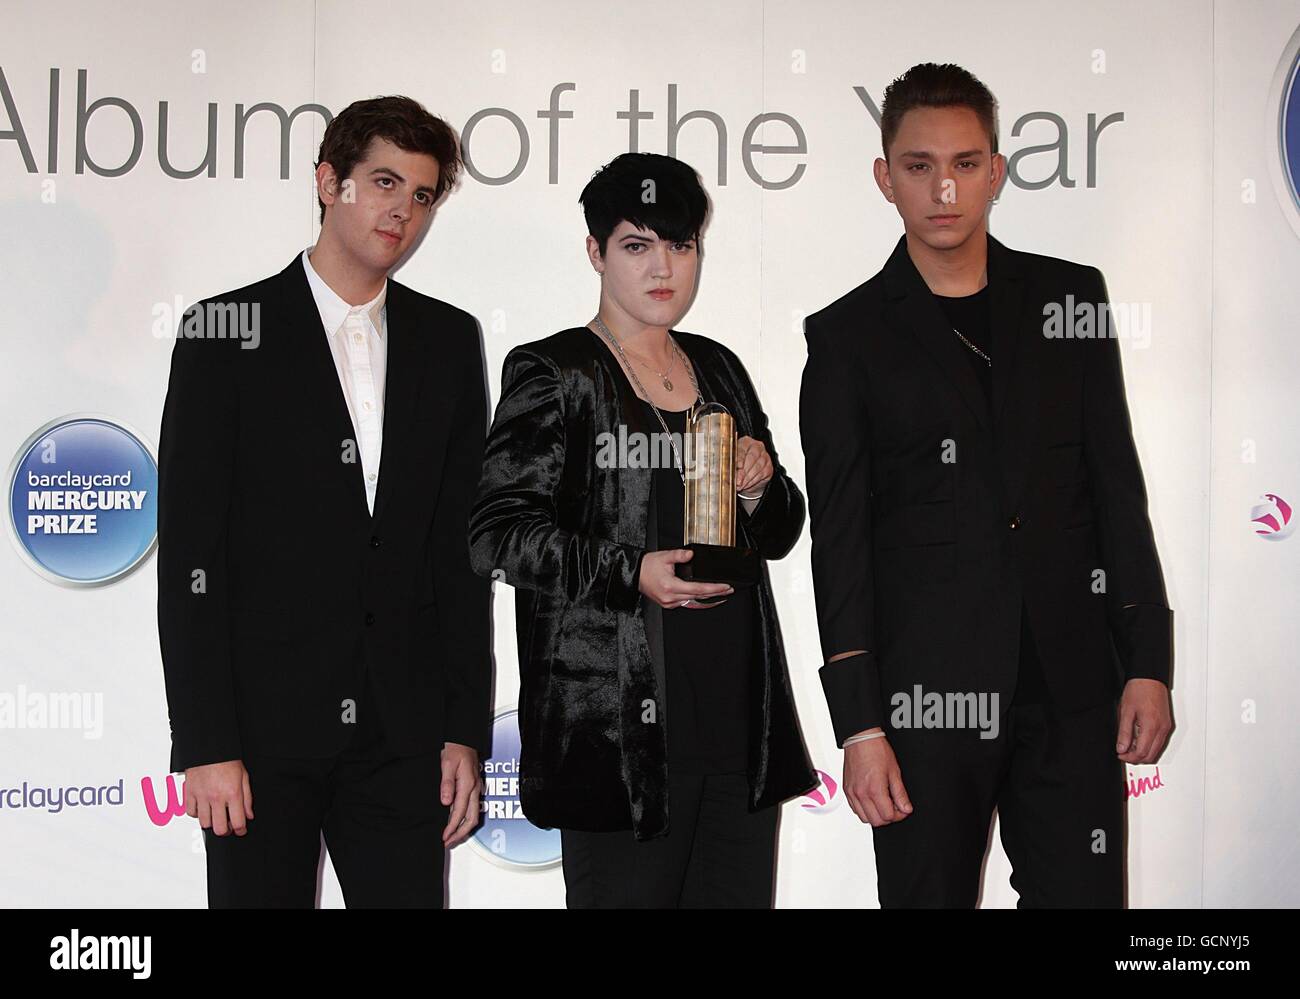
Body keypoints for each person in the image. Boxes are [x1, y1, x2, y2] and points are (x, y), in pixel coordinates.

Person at [800, 63, 1174, 907]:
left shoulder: (1070, 300)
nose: (944, 188)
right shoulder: (845, 338)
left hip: (1072, 688)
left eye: (967, 163)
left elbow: (1116, 486)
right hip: (923, 704)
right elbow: (842, 543)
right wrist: (860, 723)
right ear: (884, 177)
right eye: (920, 165)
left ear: (997, 172)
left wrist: (1146, 660)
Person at [156, 95, 492, 907]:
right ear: (327, 181)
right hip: (260, 740)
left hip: (402, 737)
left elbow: (458, 550)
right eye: (383, 182)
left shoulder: (449, 341)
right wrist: (206, 741)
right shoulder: (224, 332)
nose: (402, 212)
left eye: (422, 195)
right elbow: (192, 553)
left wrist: (462, 728)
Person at [468, 152, 816, 908]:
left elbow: (781, 530)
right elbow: (498, 533)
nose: (664, 266)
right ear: (596, 252)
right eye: (637, 245)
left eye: (681, 244)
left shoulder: (719, 368)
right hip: (616, 743)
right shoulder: (556, 371)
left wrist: (760, 487)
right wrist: (633, 571)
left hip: (733, 730)